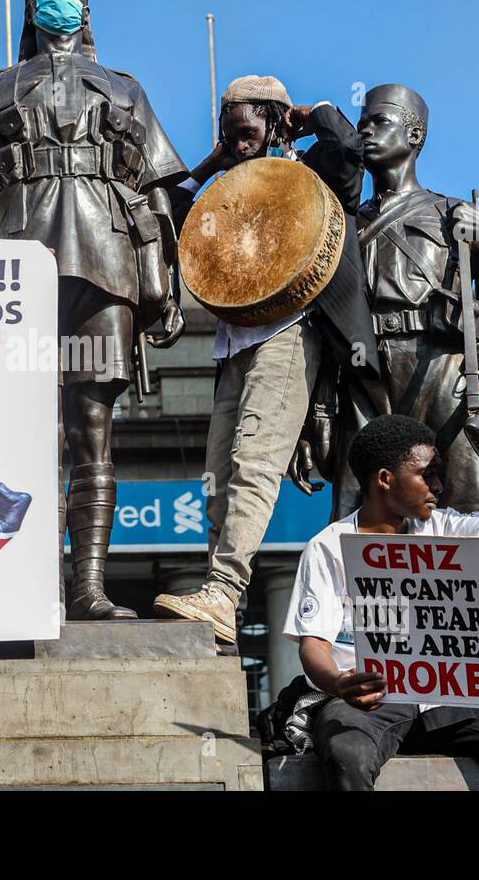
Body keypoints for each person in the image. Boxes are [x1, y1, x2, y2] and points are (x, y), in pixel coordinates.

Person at [0, 0, 188, 621]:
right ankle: (37, 582)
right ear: (28, 4)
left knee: (92, 427)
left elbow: (159, 195)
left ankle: (89, 586)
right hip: (17, 266)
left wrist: (164, 285)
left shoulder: (125, 87)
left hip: (107, 259)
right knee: (28, 429)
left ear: (87, 1)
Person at [153, 76, 379, 644]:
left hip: (292, 332)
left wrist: (313, 112)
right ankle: (216, 598)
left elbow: (352, 153)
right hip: (235, 344)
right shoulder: (227, 188)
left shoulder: (315, 172)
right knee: (220, 473)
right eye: (229, 133)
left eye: (248, 130)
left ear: (278, 123)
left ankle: (225, 589)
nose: (238, 142)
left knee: (254, 459)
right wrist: (212, 163)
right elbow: (166, 214)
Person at [283, 397, 479, 790]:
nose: (438, 487)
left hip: (449, 701)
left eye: (438, 475)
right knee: (350, 754)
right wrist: (338, 684)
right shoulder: (329, 545)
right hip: (370, 703)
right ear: (385, 479)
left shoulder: (446, 529)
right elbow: (313, 647)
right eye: (426, 476)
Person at [320, 84, 479, 518]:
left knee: (463, 516)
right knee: (362, 522)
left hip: (444, 369)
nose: (366, 132)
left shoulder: (451, 214)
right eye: (362, 124)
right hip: (364, 374)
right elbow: (323, 322)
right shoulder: (341, 225)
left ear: (414, 136)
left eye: (380, 122)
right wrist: (318, 408)